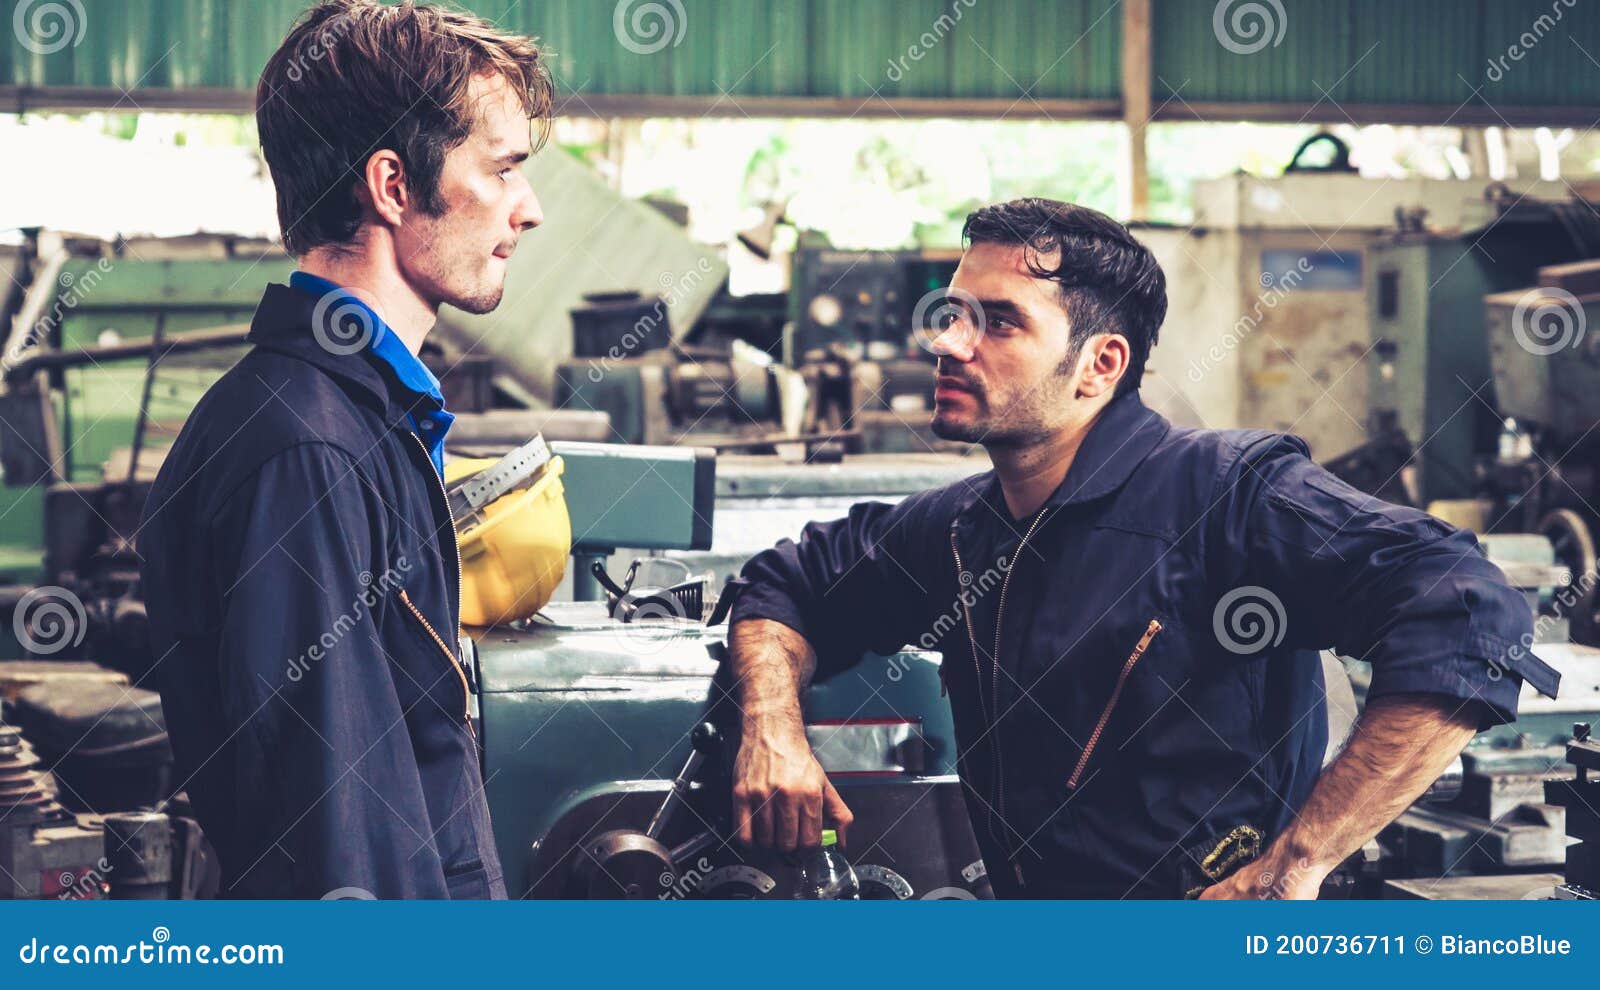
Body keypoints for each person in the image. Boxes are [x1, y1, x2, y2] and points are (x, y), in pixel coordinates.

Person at [726, 197, 1561, 899]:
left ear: (1099, 365)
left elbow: (1469, 610)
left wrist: (1294, 865)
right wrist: (772, 727)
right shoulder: (957, 529)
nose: (947, 343)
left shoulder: (1228, 495)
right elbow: (788, 584)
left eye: (1000, 323)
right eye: (952, 315)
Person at [138, 0, 550, 898]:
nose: (530, 210)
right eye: (505, 170)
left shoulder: (356, 419)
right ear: (394, 186)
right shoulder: (308, 452)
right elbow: (348, 846)